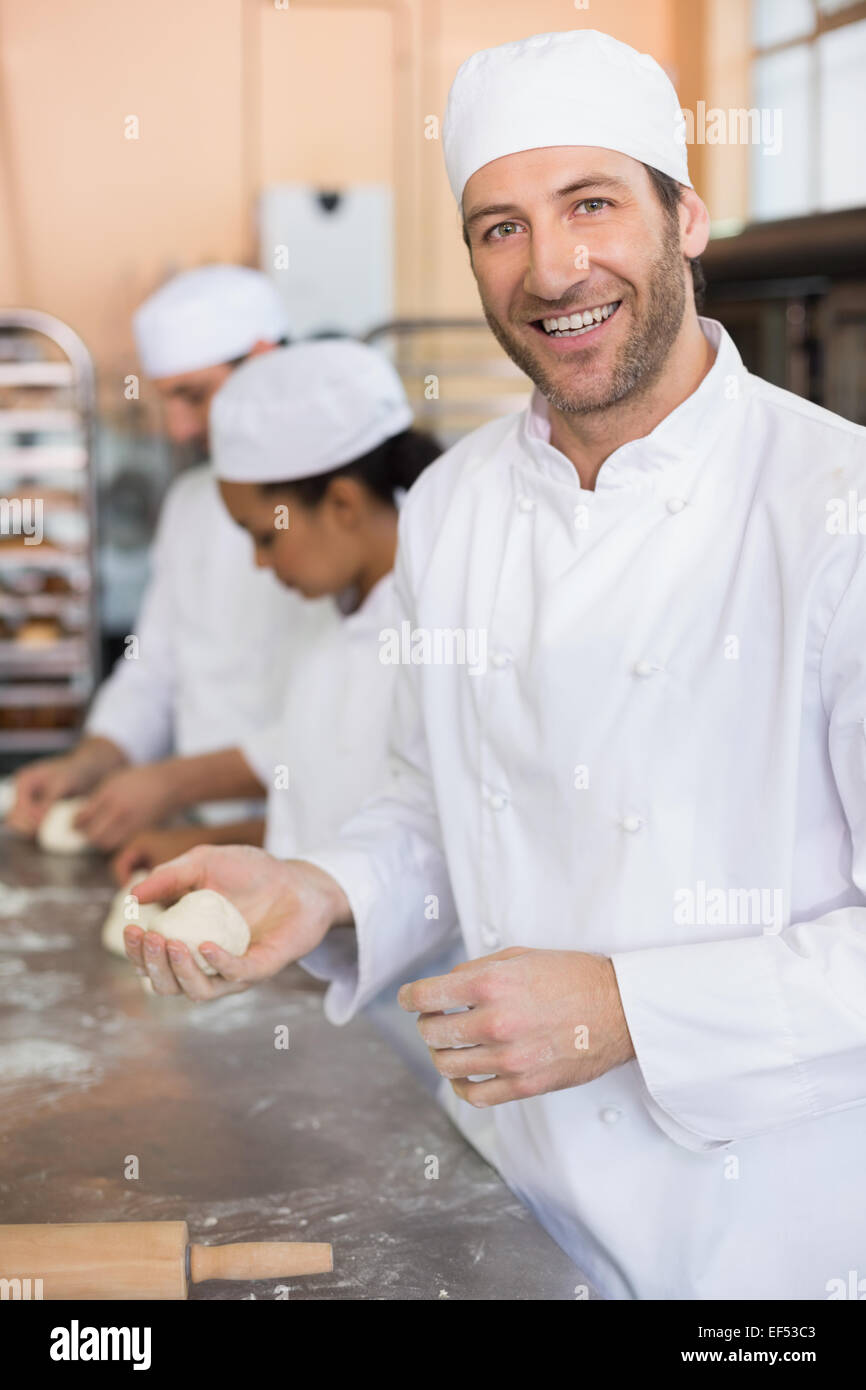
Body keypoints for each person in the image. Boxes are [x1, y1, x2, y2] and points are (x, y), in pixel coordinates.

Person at [132, 29, 866, 1300]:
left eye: (591, 204)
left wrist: (628, 1010)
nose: (551, 267)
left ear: (684, 217)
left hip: (761, 1242)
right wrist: (323, 884)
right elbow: (435, 795)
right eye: (499, 226)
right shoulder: (457, 504)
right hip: (506, 1195)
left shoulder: (830, 509)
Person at [6, 266, 333, 845]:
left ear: (263, 360)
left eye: (193, 396)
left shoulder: (346, 512)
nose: (179, 428)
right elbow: (152, 669)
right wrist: (92, 760)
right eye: (168, 401)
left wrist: (174, 785)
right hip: (200, 829)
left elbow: (349, 723)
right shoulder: (189, 505)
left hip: (312, 835)